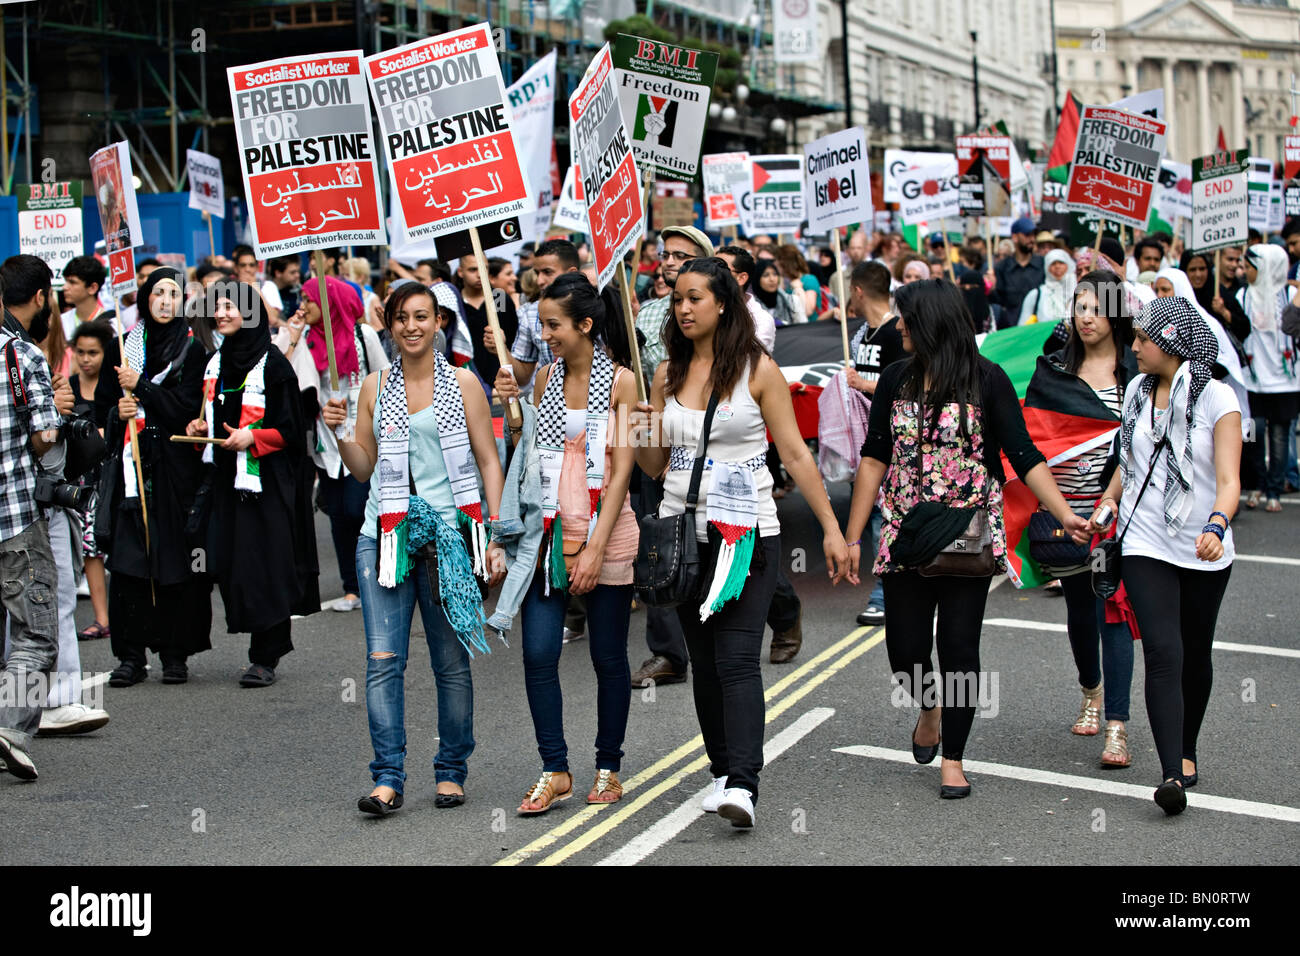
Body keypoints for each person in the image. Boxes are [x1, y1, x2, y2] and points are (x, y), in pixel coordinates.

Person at [842, 280, 1088, 801]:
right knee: (905, 651)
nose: (900, 326)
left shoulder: (987, 380)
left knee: (959, 648)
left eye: (907, 318)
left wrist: (1064, 514)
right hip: (906, 534)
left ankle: (953, 756)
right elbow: (873, 457)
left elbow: (1023, 455)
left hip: (968, 537)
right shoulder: (894, 379)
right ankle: (928, 705)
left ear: (930, 322)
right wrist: (850, 538)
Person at [630, 257, 851, 828]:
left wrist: (830, 527)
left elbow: (796, 455)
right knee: (703, 663)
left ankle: (745, 785)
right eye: (676, 298)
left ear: (723, 302)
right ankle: (721, 773)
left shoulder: (758, 369)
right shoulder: (665, 375)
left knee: (735, 659)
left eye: (695, 297)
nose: (682, 308)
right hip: (685, 534)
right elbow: (654, 467)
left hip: (748, 532)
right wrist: (639, 420)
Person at [325, 281, 504, 815]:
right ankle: (387, 777)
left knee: (450, 664)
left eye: (421, 316)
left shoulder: (466, 383)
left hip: (449, 540)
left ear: (438, 322)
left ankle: (451, 771)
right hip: (383, 537)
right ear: (390, 324)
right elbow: (363, 468)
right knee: (383, 662)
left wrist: (493, 532)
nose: (410, 327)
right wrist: (338, 434)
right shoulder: (374, 387)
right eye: (401, 317)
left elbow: (489, 460)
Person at [1086, 296, 1241, 816]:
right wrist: (1108, 500)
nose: (1133, 348)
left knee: (1196, 655)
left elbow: (1228, 480)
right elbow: (1128, 461)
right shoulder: (1135, 390)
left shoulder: (1219, 400)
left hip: (1203, 542)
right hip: (1146, 540)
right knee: (1163, 652)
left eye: (1143, 340)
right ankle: (1171, 771)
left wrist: (1218, 524)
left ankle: (1188, 747)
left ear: (1172, 344)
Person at [492, 274, 639, 812]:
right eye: (542, 323)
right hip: (548, 536)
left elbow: (624, 468)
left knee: (607, 655)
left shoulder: (624, 382)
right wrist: (513, 412)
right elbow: (529, 459)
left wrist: (598, 545)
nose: (544, 333)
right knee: (538, 653)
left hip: (607, 531)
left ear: (585, 324)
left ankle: (608, 767)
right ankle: (554, 769)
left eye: (553, 324)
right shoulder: (544, 380)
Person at [1026, 271, 1139, 767]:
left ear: (1115, 313)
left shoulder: (1136, 375)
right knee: (1080, 611)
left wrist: (1109, 501)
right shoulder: (1052, 372)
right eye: (1079, 307)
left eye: (1096, 307)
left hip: (1118, 516)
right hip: (1064, 516)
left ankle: (1117, 725)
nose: (1086, 316)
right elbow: (1030, 442)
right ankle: (1090, 690)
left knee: (1114, 612)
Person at [185, 280, 320, 687]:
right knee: (231, 563)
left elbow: (293, 430)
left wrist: (253, 438)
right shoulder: (215, 363)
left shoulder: (273, 364)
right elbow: (208, 414)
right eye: (218, 307)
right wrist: (199, 426)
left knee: (267, 565)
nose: (222, 313)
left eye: (231, 306)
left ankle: (266, 656)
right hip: (224, 482)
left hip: (267, 484)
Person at [104, 267, 213, 687]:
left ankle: (174, 653)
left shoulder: (193, 349)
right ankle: (130, 656)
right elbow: (103, 412)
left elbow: (187, 410)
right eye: (158, 293)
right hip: (133, 467)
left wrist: (143, 389)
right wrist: (120, 412)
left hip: (174, 472)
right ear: (145, 299)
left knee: (175, 563)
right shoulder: (126, 347)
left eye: (173, 293)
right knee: (130, 566)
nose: (165, 301)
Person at [0, 255, 75, 778]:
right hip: (15, 519)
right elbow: (45, 440)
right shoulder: (20, 356)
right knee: (35, 632)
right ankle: (9, 727)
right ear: (42, 296)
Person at [281, 275, 389, 613]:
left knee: (360, 509)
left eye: (310, 300)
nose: (303, 306)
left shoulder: (363, 335)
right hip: (326, 443)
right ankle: (352, 588)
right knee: (338, 513)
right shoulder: (304, 341)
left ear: (330, 304)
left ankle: (381, 575)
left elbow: (384, 379)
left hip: (364, 436)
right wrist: (293, 339)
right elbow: (282, 382)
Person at [845, 261, 907, 627]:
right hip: (866, 438)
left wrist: (865, 386)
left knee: (883, 515)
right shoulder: (862, 333)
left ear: (858, 291)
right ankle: (889, 588)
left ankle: (885, 594)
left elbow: (903, 384)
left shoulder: (896, 333)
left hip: (893, 440)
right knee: (872, 512)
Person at [1235, 244, 1300, 512]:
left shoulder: (1290, 294)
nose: (1245, 271)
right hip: (1253, 380)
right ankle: (1257, 485)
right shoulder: (1243, 295)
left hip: (1285, 380)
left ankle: (1274, 490)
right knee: (1254, 433)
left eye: (1250, 267)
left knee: (1280, 436)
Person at [68, 321, 114, 642]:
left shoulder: (114, 388)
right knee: (90, 549)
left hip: (112, 476)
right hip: (79, 479)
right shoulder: (66, 388)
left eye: (93, 353)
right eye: (81, 352)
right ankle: (102, 619)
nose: (86, 359)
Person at [495, 238, 581, 398]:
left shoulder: (595, 307)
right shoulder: (530, 313)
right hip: (550, 406)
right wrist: (501, 348)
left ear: (572, 273)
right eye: (536, 273)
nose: (540, 281)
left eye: (547, 272)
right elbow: (522, 377)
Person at [636, 226, 714, 377]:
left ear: (703, 262)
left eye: (680, 255)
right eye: (665, 255)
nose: (669, 262)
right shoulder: (647, 313)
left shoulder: (717, 311)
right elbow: (641, 376)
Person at [456, 255, 517, 394]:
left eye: (484, 269)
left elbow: (512, 337)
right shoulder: (455, 302)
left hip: (501, 386)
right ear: (460, 272)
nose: (479, 275)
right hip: (467, 386)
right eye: (473, 269)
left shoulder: (498, 297)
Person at [717, 245, 776, 353]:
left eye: (720, 268)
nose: (711, 273)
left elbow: (745, 360)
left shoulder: (761, 321)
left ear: (741, 278)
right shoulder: (704, 307)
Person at [990, 218, 1045, 329]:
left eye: (1033, 235)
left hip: (1037, 328)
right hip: (1011, 329)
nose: (1032, 239)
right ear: (1015, 237)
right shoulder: (1002, 267)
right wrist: (991, 288)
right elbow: (998, 302)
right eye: (1027, 235)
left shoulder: (1043, 264)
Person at [1019, 249, 1076, 326]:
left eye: (1061, 263)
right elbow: (1022, 326)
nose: (1057, 267)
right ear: (1047, 268)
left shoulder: (1078, 293)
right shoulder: (1035, 295)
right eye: (1053, 264)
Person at [232, 245, 283, 326]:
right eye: (243, 265)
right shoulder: (228, 287)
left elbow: (273, 319)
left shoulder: (268, 286)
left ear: (257, 268)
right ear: (236, 268)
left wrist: (255, 289)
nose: (247, 269)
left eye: (251, 265)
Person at [60, 256, 109, 340]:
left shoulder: (113, 324)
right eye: (66, 281)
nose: (64, 287)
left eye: (72, 282)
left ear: (92, 288)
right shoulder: (61, 322)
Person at [752, 259, 801, 327]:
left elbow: (802, 328)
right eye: (766, 275)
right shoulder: (751, 306)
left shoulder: (791, 301)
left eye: (775, 274)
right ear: (757, 279)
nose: (772, 279)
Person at [268, 256, 302, 321]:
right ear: (278, 273)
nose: (297, 275)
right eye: (292, 272)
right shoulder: (265, 292)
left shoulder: (298, 293)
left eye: (298, 271)